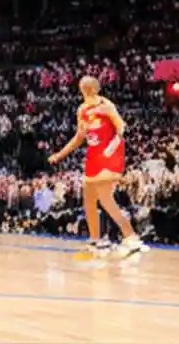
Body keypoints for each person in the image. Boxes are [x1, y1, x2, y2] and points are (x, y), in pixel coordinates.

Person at [47, 76, 147, 261]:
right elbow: (79, 137)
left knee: (105, 198)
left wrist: (111, 149)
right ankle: (96, 240)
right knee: (89, 198)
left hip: (108, 154)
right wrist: (60, 154)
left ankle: (132, 237)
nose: (85, 88)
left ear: (95, 88)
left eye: (88, 86)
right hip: (93, 156)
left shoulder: (106, 105)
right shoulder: (82, 110)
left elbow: (121, 127)